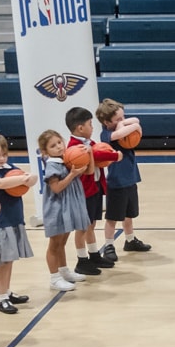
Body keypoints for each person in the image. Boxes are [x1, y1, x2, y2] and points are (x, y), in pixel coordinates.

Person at [0, 133, 35, 315]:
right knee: (4, 262)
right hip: (1, 223)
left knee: (9, 261)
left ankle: (7, 292)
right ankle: (1, 298)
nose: (2, 158)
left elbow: (30, 180)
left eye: (4, 154)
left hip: (14, 220)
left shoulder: (10, 168)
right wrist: (24, 179)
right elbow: (1, 184)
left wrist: (30, 178)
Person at [63, 105, 117, 276]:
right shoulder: (74, 147)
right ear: (80, 128)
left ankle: (94, 255)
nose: (92, 127)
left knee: (91, 225)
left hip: (94, 188)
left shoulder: (89, 142)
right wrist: (115, 156)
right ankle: (81, 260)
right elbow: (98, 155)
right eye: (90, 124)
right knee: (82, 228)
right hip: (83, 192)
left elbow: (98, 151)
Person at [96, 98, 151, 259]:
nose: (123, 121)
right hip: (116, 181)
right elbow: (120, 133)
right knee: (112, 217)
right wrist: (132, 126)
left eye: (123, 117)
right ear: (107, 122)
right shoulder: (106, 134)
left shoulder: (124, 127)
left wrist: (125, 123)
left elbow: (136, 120)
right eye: (118, 119)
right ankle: (109, 245)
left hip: (130, 178)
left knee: (129, 214)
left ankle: (130, 240)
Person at [36, 130, 89, 292]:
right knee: (54, 244)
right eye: (53, 146)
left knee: (62, 243)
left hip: (67, 206)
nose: (59, 147)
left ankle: (64, 271)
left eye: (59, 142)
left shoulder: (66, 159)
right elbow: (57, 188)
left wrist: (87, 153)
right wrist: (72, 174)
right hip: (56, 208)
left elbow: (88, 170)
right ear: (45, 151)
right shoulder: (52, 165)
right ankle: (54, 278)